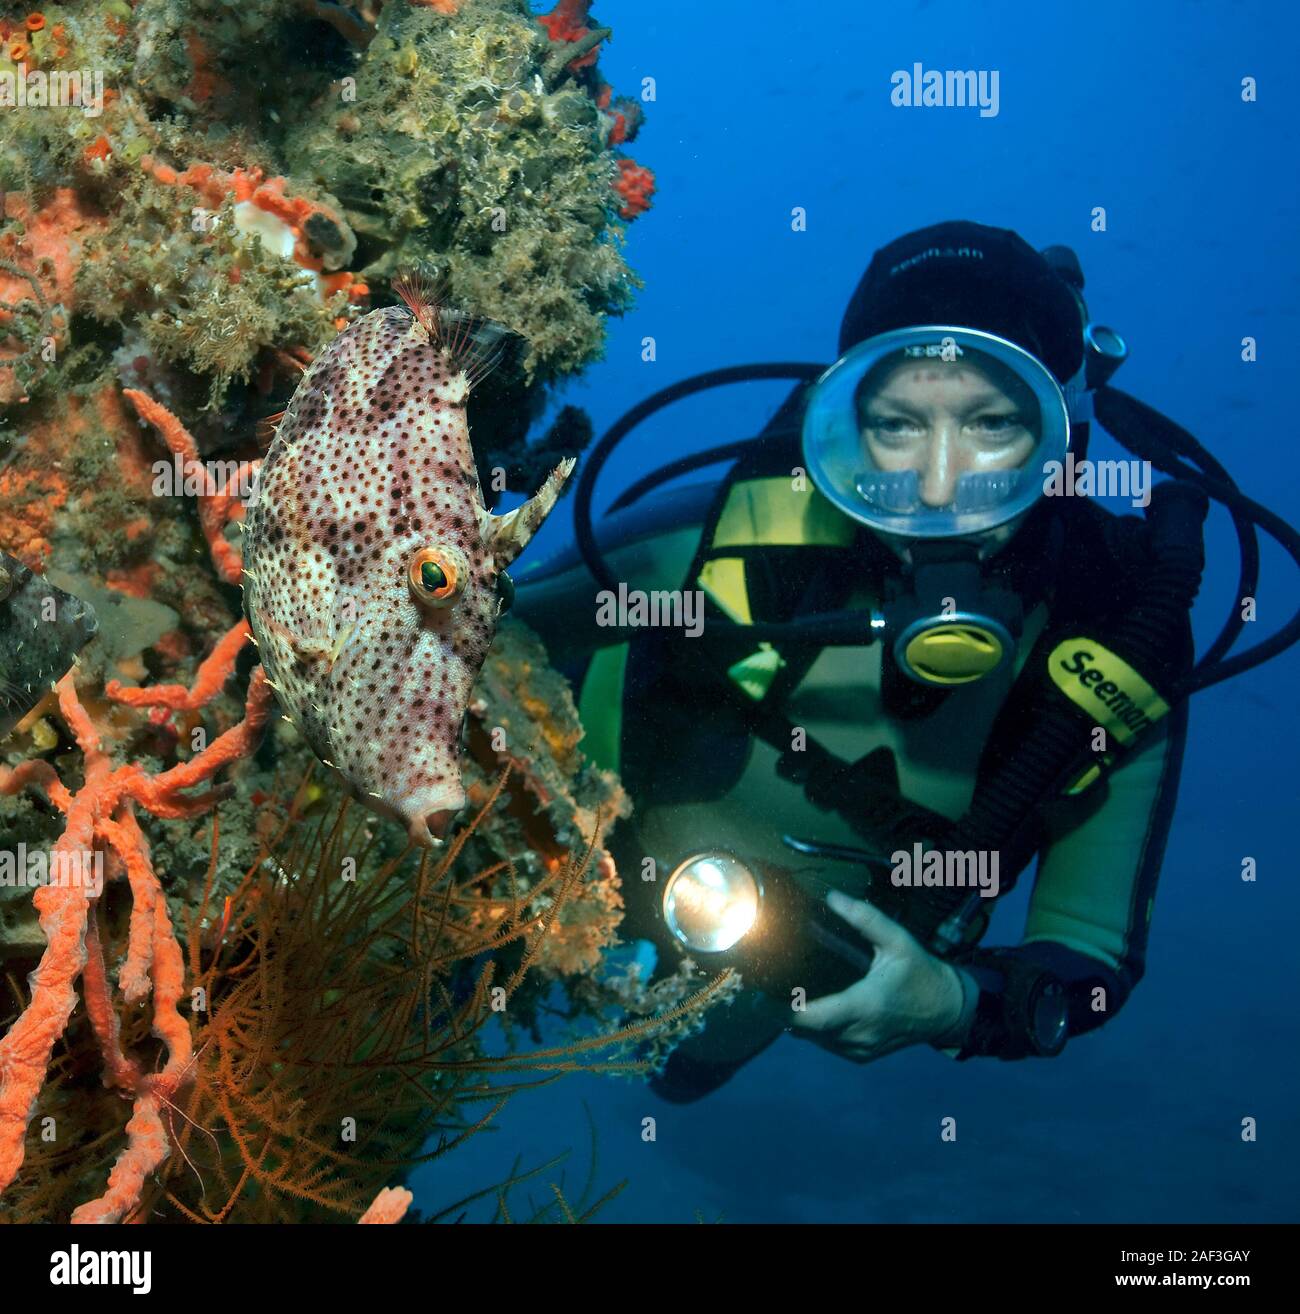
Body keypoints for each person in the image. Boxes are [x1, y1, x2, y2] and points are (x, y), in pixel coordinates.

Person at [511, 220, 1296, 1101]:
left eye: (993, 423)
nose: (937, 486)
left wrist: (954, 1005)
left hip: (749, 988)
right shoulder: (717, 543)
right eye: (896, 425)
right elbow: (472, 622)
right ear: (841, 430)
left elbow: (1090, 954)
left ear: (1062, 437)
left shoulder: (1119, 642)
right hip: (522, 865)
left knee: (681, 1080)